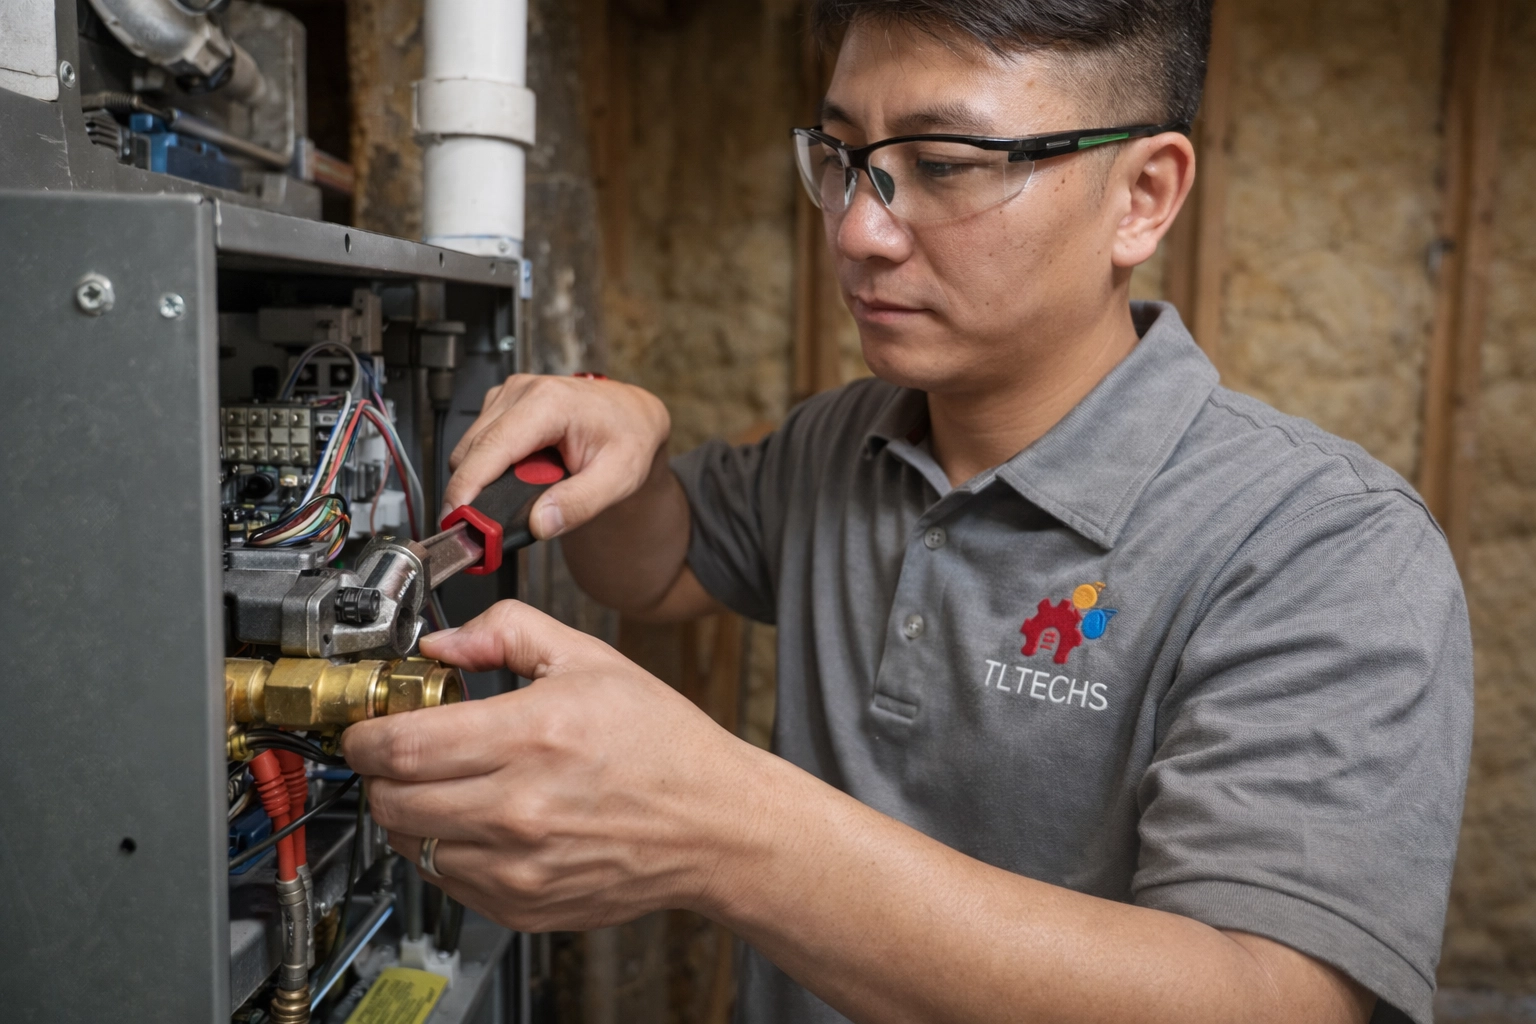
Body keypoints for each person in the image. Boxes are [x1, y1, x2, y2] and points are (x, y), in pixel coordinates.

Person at [342, 2, 1472, 1021]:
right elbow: (657, 566)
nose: (858, 231)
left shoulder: (1326, 544)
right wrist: (623, 461)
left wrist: (726, 825)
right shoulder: (846, 440)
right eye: (844, 158)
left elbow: (1270, 1001)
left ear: (1143, 196)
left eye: (943, 165)